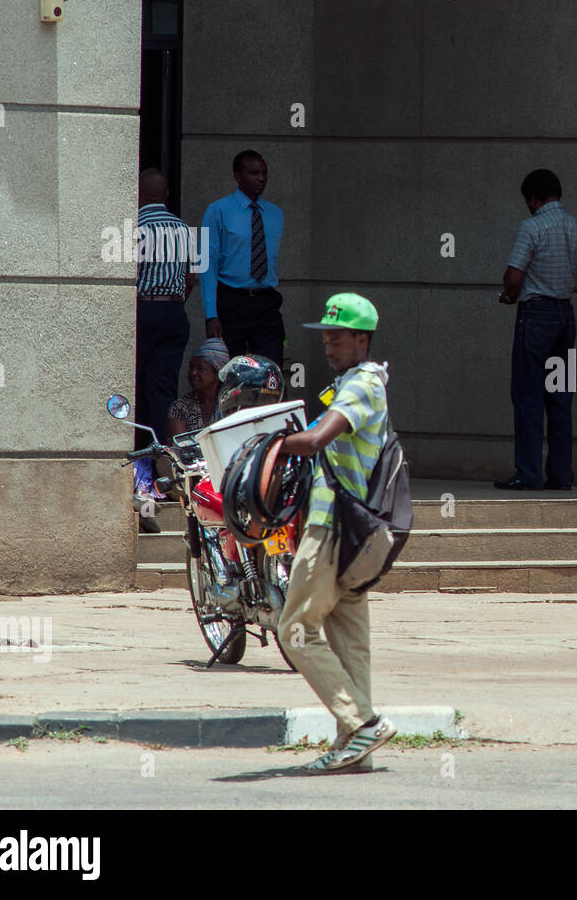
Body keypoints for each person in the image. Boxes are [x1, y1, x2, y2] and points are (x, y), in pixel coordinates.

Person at [276, 293, 397, 772]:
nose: (328, 346)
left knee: (295, 629)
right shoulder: (354, 381)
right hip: (351, 531)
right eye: (325, 337)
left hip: (332, 525)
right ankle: (356, 746)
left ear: (361, 339)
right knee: (348, 639)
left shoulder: (362, 384)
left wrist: (268, 445)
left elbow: (317, 439)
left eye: (337, 338)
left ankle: (362, 723)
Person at [494, 169, 577, 492]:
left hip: (535, 314)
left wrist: (511, 296)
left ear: (533, 199)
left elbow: (513, 276)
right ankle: (561, 476)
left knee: (528, 396)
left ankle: (528, 473)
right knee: (561, 398)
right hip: (565, 315)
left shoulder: (532, 227)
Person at [134, 168, 196, 518]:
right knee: (163, 394)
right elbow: (191, 279)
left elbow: (128, 276)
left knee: (131, 390)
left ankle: (136, 471)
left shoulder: (135, 228)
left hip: (143, 313)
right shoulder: (184, 230)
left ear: (138, 193)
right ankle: (164, 474)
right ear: (167, 192)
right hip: (175, 315)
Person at [199, 150, 286, 367]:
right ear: (238, 176)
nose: (261, 178)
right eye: (254, 173)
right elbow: (207, 263)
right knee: (228, 371)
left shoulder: (275, 213)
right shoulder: (218, 210)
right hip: (231, 301)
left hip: (266, 302)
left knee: (270, 371)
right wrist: (211, 314)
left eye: (264, 173)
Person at [165, 338, 230, 440]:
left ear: (218, 374)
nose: (193, 373)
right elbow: (181, 448)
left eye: (201, 369)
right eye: (191, 368)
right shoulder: (180, 408)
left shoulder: (231, 405)